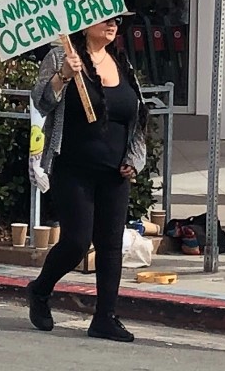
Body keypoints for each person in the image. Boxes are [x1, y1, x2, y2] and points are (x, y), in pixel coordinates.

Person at [26, 17, 147, 343]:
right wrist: (63, 75)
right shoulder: (61, 55)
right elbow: (40, 102)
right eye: (106, 19)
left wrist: (134, 161)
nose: (113, 25)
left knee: (110, 245)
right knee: (76, 242)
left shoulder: (121, 62)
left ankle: (105, 317)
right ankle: (40, 290)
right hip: (73, 167)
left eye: (117, 21)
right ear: (85, 21)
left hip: (114, 173)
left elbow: (136, 120)